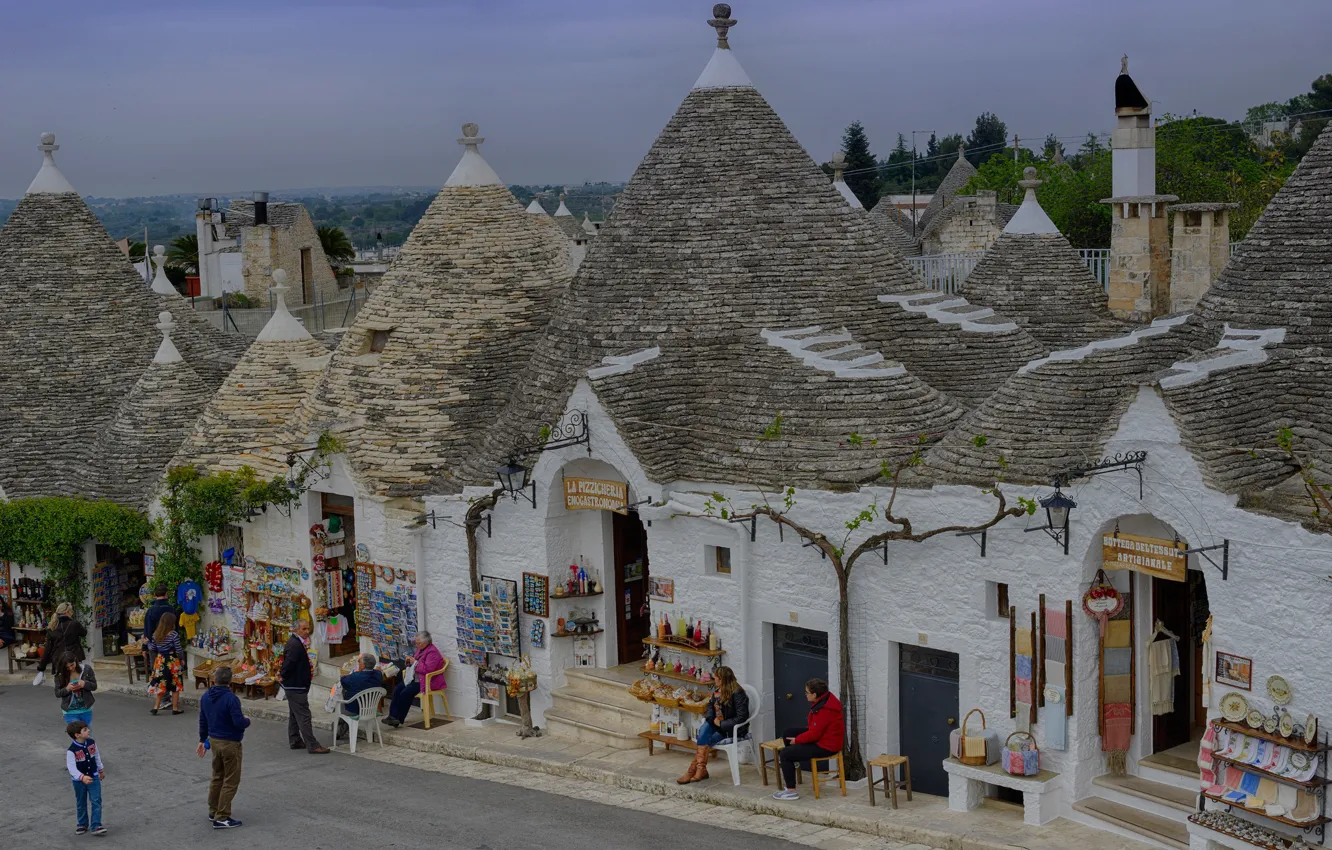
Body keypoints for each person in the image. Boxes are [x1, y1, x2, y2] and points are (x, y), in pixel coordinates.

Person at [773, 678, 844, 801]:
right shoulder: (825, 700)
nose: (805, 695)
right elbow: (815, 730)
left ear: (815, 695)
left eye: (807, 693)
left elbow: (814, 735)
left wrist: (797, 740)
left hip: (826, 746)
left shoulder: (825, 710)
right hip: (823, 738)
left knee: (785, 754)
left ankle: (791, 791)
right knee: (787, 733)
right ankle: (793, 762)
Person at [198, 665, 250, 829]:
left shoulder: (206, 697)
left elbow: (203, 720)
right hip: (230, 742)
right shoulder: (231, 699)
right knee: (231, 780)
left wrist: (202, 739)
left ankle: (213, 810)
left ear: (214, 680)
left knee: (217, 776)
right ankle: (222, 816)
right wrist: (247, 721)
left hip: (214, 741)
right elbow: (238, 722)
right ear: (230, 681)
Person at [678, 665, 749, 784]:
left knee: (706, 739)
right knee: (704, 730)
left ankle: (693, 770)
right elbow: (710, 706)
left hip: (730, 729)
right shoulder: (718, 691)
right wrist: (712, 719)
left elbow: (742, 717)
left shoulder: (738, 693)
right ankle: (700, 769)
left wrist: (721, 723)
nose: (714, 679)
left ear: (722, 679)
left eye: (716, 677)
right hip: (717, 724)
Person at [277, 619, 328, 754]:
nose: (307, 632)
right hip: (295, 686)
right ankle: (312, 744)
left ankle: (295, 740)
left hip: (295, 685)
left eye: (307, 629)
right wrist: (283, 675)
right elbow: (288, 664)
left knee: (295, 714)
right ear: (296, 630)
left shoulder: (296, 642)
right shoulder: (295, 645)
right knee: (304, 715)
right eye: (304, 629)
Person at [383, 631, 444, 728]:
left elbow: (427, 669)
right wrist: (409, 662)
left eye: (418, 643)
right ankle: (392, 716)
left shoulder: (432, 652)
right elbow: (414, 664)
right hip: (415, 678)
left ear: (425, 642)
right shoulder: (421, 649)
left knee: (406, 692)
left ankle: (398, 718)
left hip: (426, 681)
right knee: (397, 689)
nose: (416, 644)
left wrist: (415, 662)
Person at [66, 719, 107, 835]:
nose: (88, 730)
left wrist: (101, 770)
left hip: (93, 776)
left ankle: (96, 825)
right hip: (79, 782)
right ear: (77, 735)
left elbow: (96, 756)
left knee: (96, 800)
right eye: (85, 730)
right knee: (81, 802)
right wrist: (81, 777)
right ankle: (82, 824)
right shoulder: (71, 751)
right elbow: (71, 768)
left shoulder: (91, 743)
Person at [335, 653, 384, 739]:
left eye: (359, 662)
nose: (358, 663)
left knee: (340, 699)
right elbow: (377, 671)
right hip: (370, 708)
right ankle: (340, 728)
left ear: (363, 665)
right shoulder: (378, 674)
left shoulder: (355, 676)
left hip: (354, 709)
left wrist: (355, 671)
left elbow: (343, 680)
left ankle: (339, 728)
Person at [147, 611, 185, 715]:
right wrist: (181, 659)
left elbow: (152, 648)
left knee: (161, 683)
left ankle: (156, 707)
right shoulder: (173, 634)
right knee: (175, 684)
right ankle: (175, 708)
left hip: (160, 661)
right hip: (172, 661)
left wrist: (148, 643)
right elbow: (179, 649)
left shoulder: (156, 634)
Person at [37, 602, 86, 676]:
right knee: (75, 683)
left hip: (59, 661)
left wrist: (41, 668)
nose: (72, 613)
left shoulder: (52, 627)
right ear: (67, 612)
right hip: (73, 660)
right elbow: (84, 633)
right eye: (71, 611)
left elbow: (47, 649)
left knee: (60, 684)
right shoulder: (74, 624)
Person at [55, 653, 97, 726]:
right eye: (67, 667)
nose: (71, 668)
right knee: (77, 735)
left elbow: (94, 686)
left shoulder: (86, 669)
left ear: (75, 661)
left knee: (86, 734)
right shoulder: (60, 675)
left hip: (86, 710)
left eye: (72, 665)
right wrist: (67, 689)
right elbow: (57, 693)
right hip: (70, 712)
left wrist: (85, 684)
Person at [142, 583, 175, 672]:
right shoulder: (171, 609)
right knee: (170, 671)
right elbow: (175, 628)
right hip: (170, 645)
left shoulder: (151, 610)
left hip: (155, 644)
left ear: (155, 595)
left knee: (156, 671)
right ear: (166, 594)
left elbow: (147, 630)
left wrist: (144, 647)